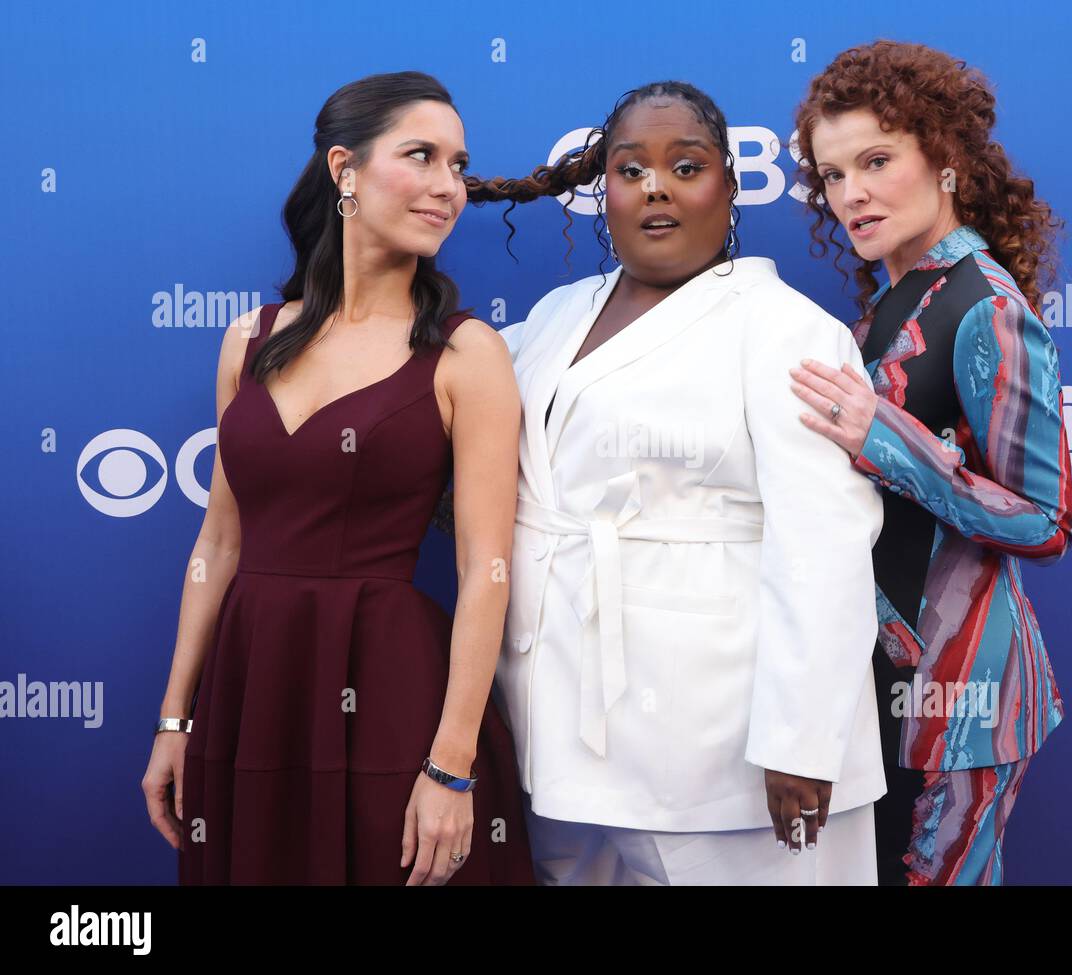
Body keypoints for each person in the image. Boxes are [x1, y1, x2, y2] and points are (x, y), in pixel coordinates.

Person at [466, 81, 887, 885]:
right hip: (558, 730)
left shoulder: (785, 329)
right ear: (604, 193)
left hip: (727, 749)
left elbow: (824, 551)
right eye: (631, 170)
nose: (656, 186)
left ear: (729, 188)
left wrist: (802, 739)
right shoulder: (552, 318)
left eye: (685, 166)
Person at [141, 71, 535, 885]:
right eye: (421, 156)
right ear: (344, 170)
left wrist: (453, 765)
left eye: (458, 165)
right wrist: (176, 717)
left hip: (390, 692)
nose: (447, 186)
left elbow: (485, 572)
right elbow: (218, 540)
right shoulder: (249, 339)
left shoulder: (468, 353)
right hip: (252, 692)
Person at [788, 40, 1072, 885]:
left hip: (966, 699)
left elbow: (1046, 518)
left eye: (876, 161)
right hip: (882, 686)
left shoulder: (988, 306)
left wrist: (881, 434)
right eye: (833, 175)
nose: (852, 194)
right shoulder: (893, 299)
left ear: (944, 159)